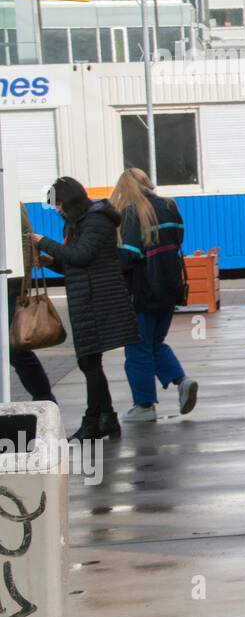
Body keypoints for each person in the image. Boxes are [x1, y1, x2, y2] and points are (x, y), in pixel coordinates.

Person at [25, 177, 139, 442]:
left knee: (89, 361)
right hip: (87, 299)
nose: (57, 210)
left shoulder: (96, 220)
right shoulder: (80, 222)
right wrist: (51, 261)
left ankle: (94, 421)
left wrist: (44, 242)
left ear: (71, 200)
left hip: (98, 300)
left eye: (59, 204)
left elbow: (81, 256)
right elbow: (75, 263)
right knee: (89, 361)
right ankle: (105, 418)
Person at [110, 168, 198, 423]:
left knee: (137, 349)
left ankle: (144, 406)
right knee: (155, 343)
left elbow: (129, 255)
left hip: (142, 291)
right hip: (169, 288)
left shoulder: (131, 212)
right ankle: (182, 381)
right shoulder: (169, 206)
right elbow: (179, 238)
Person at [8, 204, 56, 403]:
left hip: (8, 286)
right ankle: (43, 396)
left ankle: (44, 398)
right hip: (10, 285)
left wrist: (20, 280)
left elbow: (26, 238)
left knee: (16, 348)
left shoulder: (8, 199)